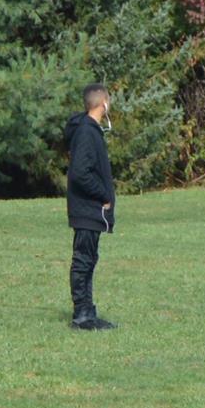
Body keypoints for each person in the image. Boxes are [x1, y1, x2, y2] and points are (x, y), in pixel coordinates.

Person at [64, 84, 119, 331]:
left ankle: (88, 311)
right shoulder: (87, 132)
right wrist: (103, 195)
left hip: (90, 210)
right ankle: (82, 315)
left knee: (89, 259)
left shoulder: (91, 131)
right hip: (87, 208)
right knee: (83, 260)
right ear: (103, 103)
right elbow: (80, 173)